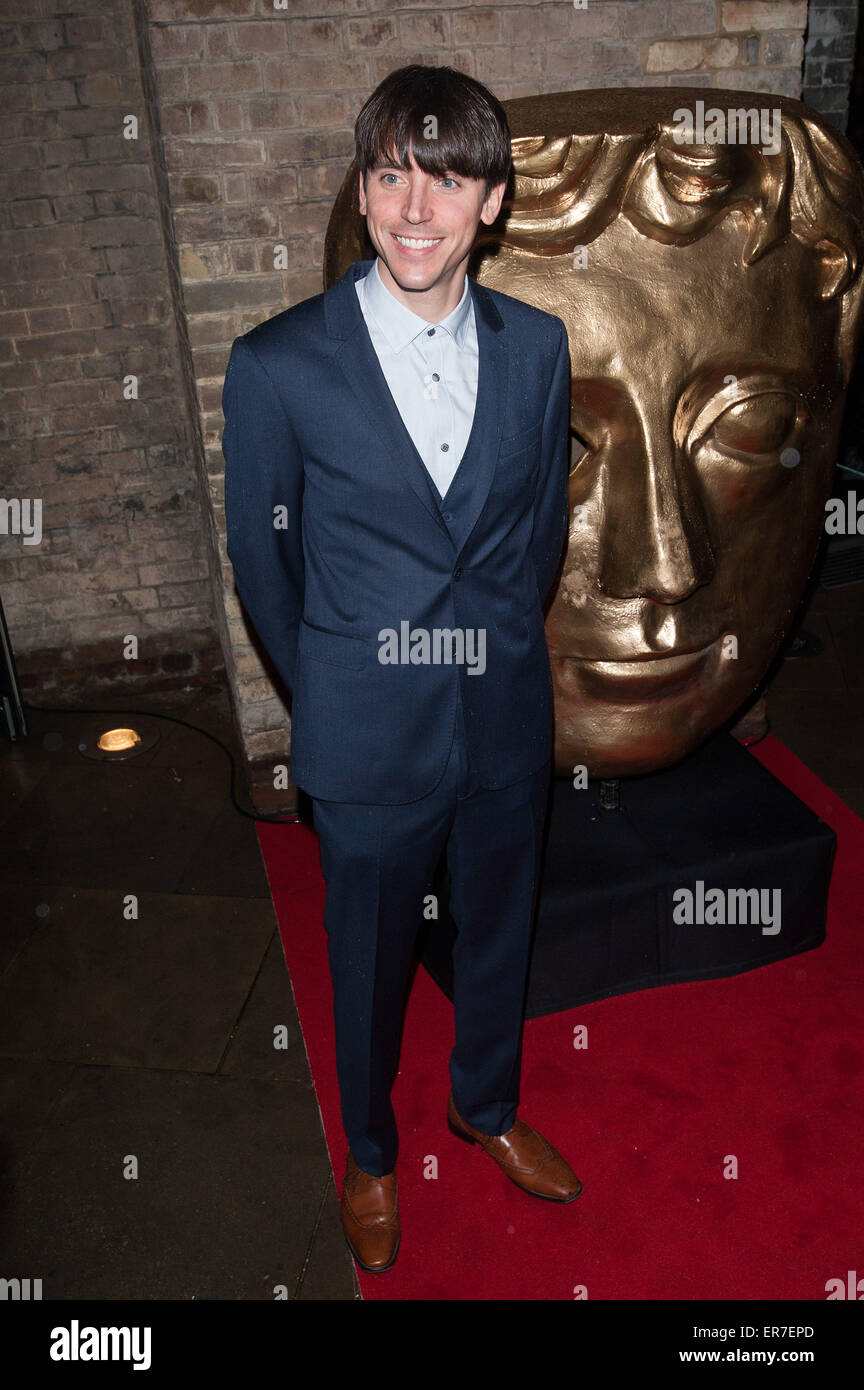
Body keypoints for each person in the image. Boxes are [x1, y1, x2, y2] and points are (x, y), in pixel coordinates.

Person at [222, 64, 580, 1274]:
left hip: (504, 719)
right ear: (362, 191)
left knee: (499, 932)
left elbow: (534, 542)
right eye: (390, 174)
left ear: (493, 201)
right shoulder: (279, 364)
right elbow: (265, 568)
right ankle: (369, 1151)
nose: (415, 206)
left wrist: (493, 657)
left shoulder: (538, 349)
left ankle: (484, 1103)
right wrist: (337, 686)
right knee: (368, 963)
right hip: (366, 739)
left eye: (449, 175)